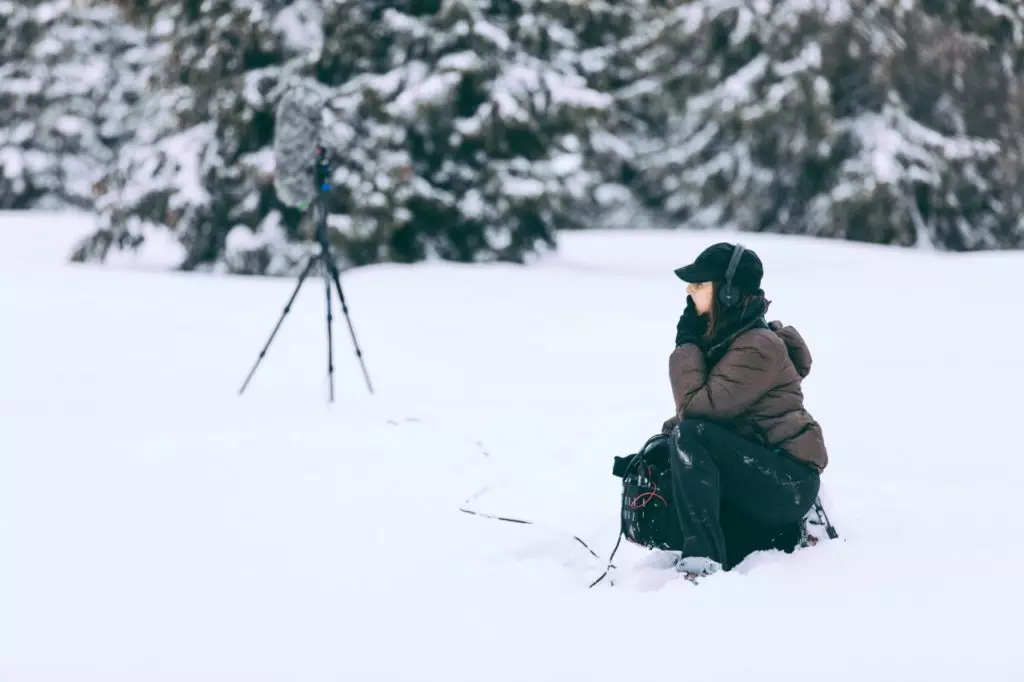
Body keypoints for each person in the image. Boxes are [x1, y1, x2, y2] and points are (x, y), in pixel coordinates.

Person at [661, 242, 828, 577]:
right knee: (672, 444)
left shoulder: (758, 346)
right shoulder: (728, 337)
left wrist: (686, 344)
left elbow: (695, 412)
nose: (689, 292)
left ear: (728, 294)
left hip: (788, 483)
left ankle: (702, 563)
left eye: (699, 285)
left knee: (690, 437)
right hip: (762, 477)